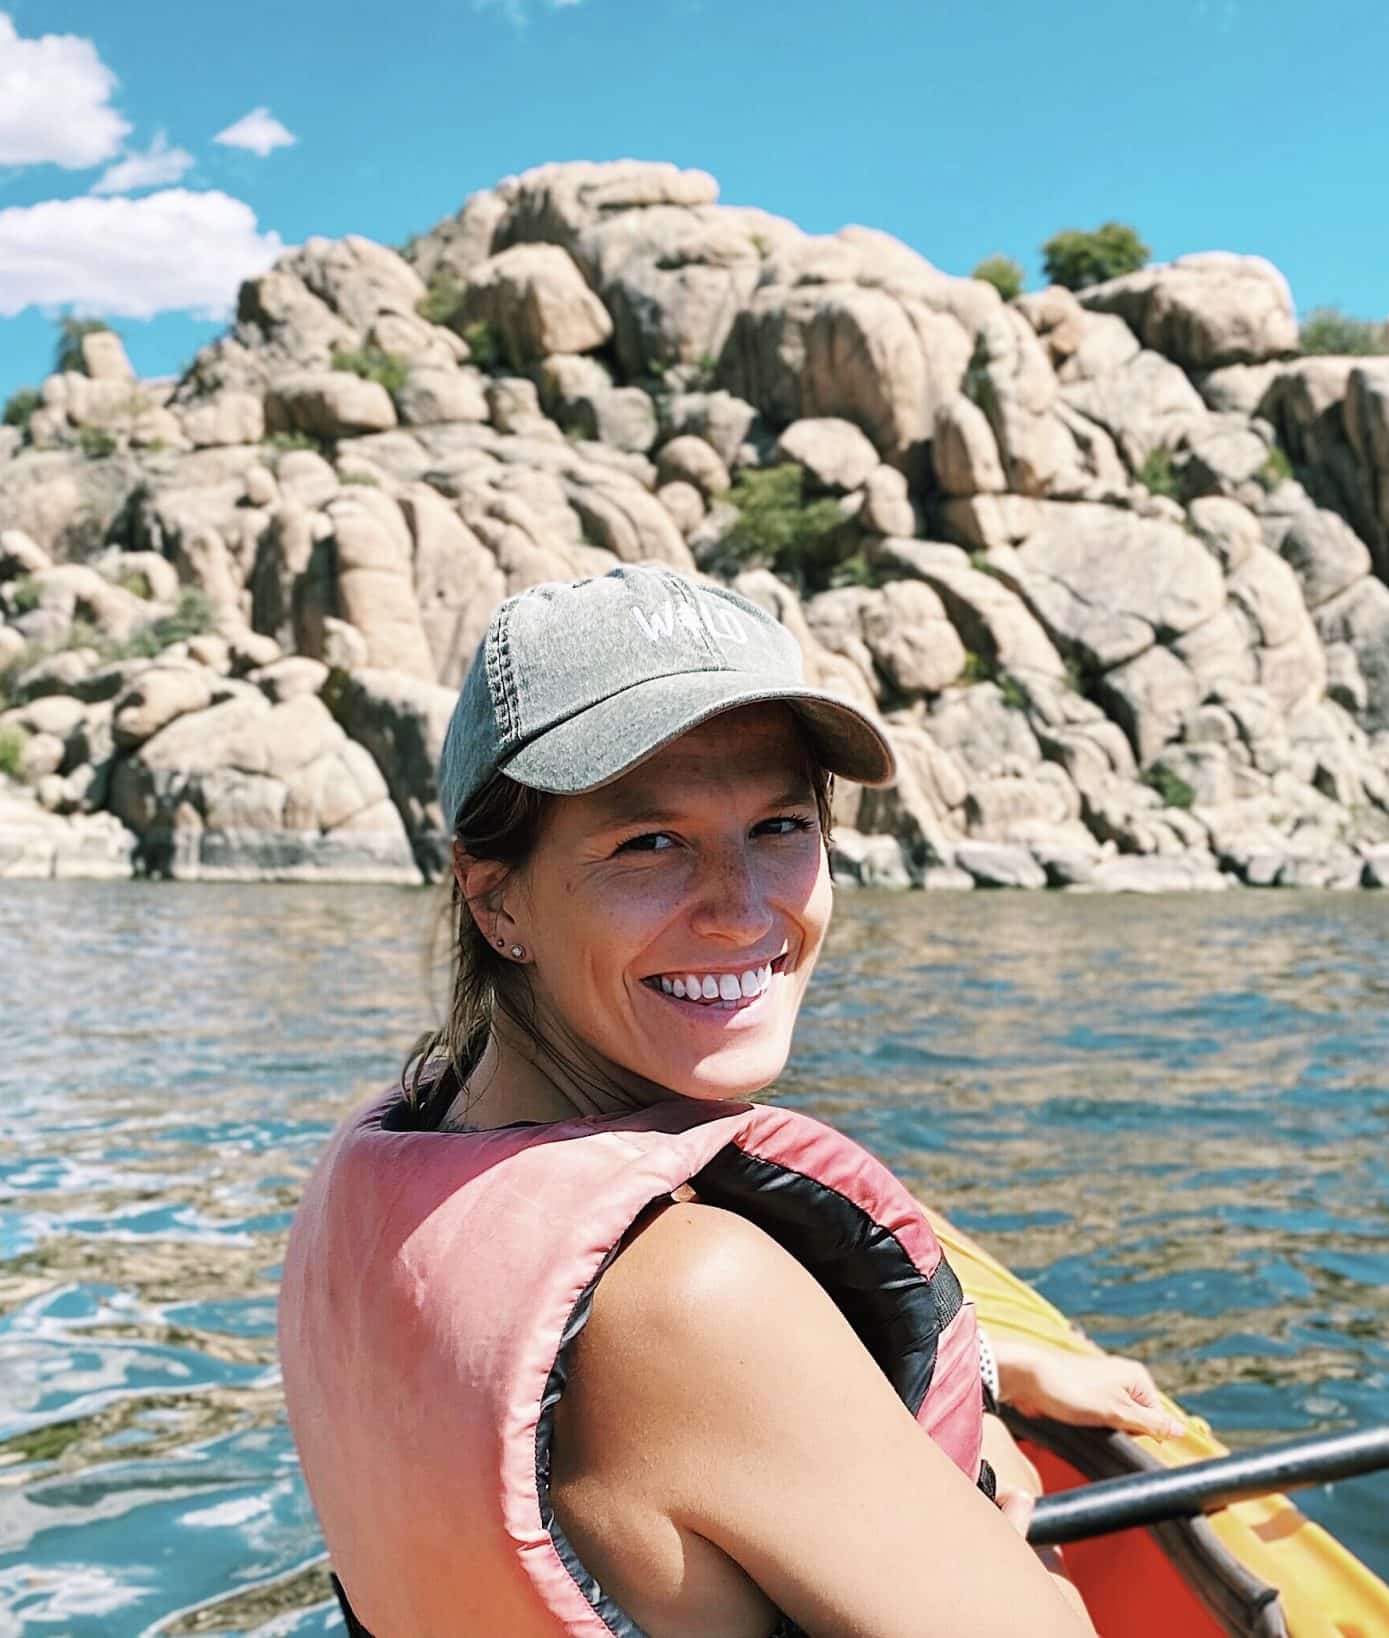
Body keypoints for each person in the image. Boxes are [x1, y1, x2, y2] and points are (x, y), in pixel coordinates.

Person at [278, 565, 1185, 1636]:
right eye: (648, 842)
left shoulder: (390, 1157)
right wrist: (975, 1507)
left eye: (779, 827)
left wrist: (979, 1372)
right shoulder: (693, 1299)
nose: (740, 910)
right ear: (495, 897)